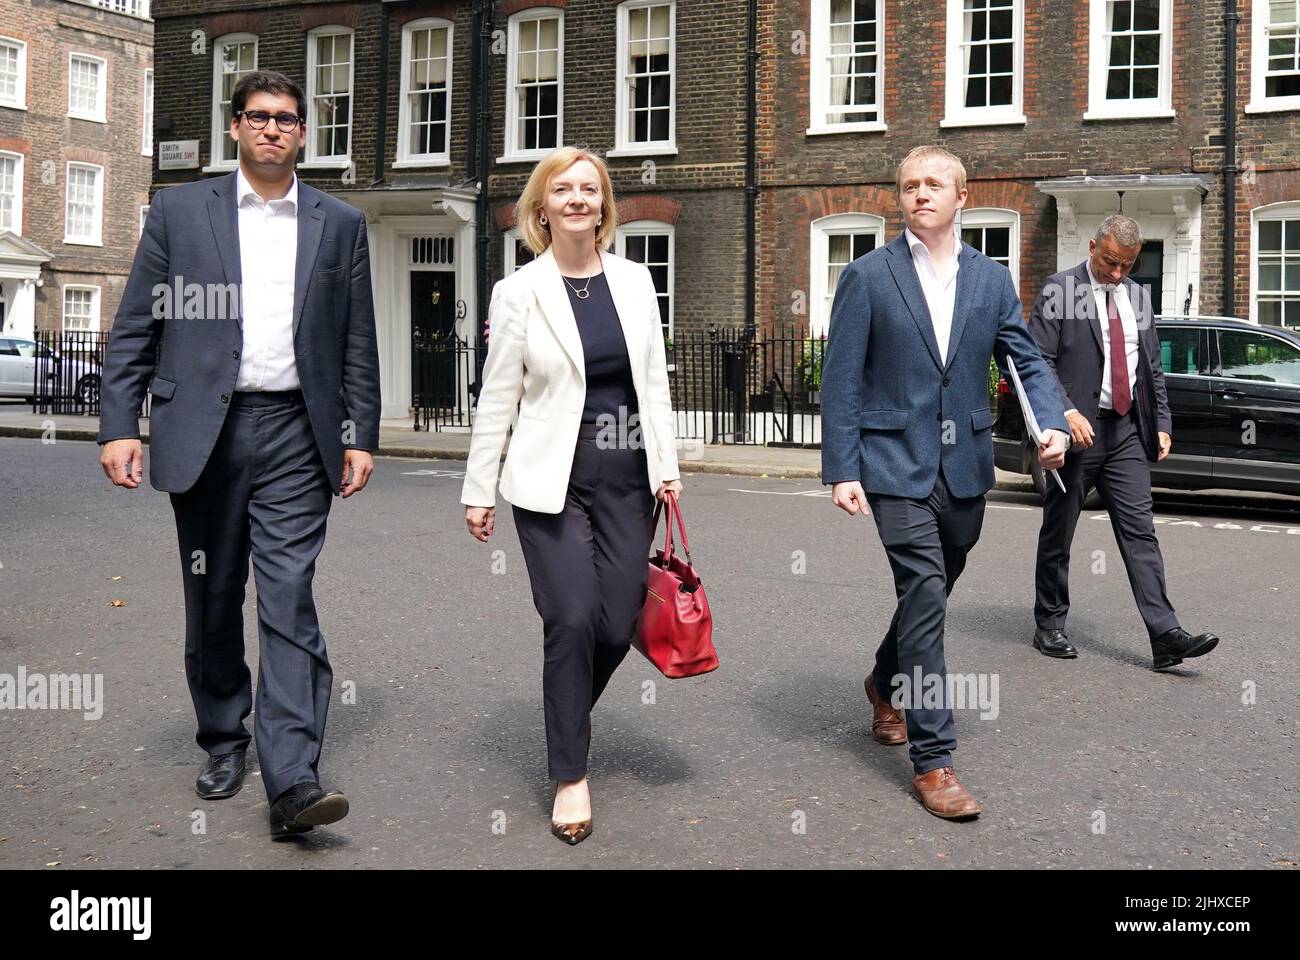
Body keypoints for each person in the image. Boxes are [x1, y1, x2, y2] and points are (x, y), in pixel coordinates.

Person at [97, 70, 380, 839]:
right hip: (206, 432)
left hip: (298, 429)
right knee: (214, 594)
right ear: (235, 127)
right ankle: (224, 738)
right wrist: (120, 422)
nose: (272, 129)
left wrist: (360, 432)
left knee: (289, 597)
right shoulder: (180, 211)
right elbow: (136, 325)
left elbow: (357, 338)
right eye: (258, 117)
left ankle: (293, 778)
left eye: (287, 119)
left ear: (302, 133)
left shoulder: (339, 222)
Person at [820, 145, 1069, 820]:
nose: (921, 193)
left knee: (933, 590)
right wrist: (842, 466)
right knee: (926, 589)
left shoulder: (990, 281)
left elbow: (1026, 362)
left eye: (935, 184)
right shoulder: (868, 277)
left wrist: (1049, 423)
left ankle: (883, 676)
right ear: (899, 198)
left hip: (964, 468)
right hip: (893, 466)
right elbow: (841, 378)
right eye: (909, 185)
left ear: (962, 196)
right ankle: (935, 761)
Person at [461, 147, 681, 845]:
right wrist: (479, 487)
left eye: (590, 188)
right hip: (549, 478)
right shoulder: (519, 291)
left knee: (618, 625)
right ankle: (570, 772)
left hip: (627, 477)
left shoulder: (636, 281)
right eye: (565, 189)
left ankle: (565, 713)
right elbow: (498, 395)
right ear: (542, 206)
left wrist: (668, 467)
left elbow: (654, 380)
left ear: (604, 204)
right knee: (572, 617)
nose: (579, 199)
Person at [1026, 214, 1219, 670]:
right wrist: (1066, 412)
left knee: (1141, 532)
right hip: (1077, 434)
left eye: (1127, 265)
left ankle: (1165, 634)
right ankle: (1049, 623)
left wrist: (1162, 422)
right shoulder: (1061, 291)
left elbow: (1150, 369)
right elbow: (1038, 361)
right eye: (1110, 261)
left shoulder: (1137, 296)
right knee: (1061, 528)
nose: (1117, 273)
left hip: (1127, 431)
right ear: (1092, 246)